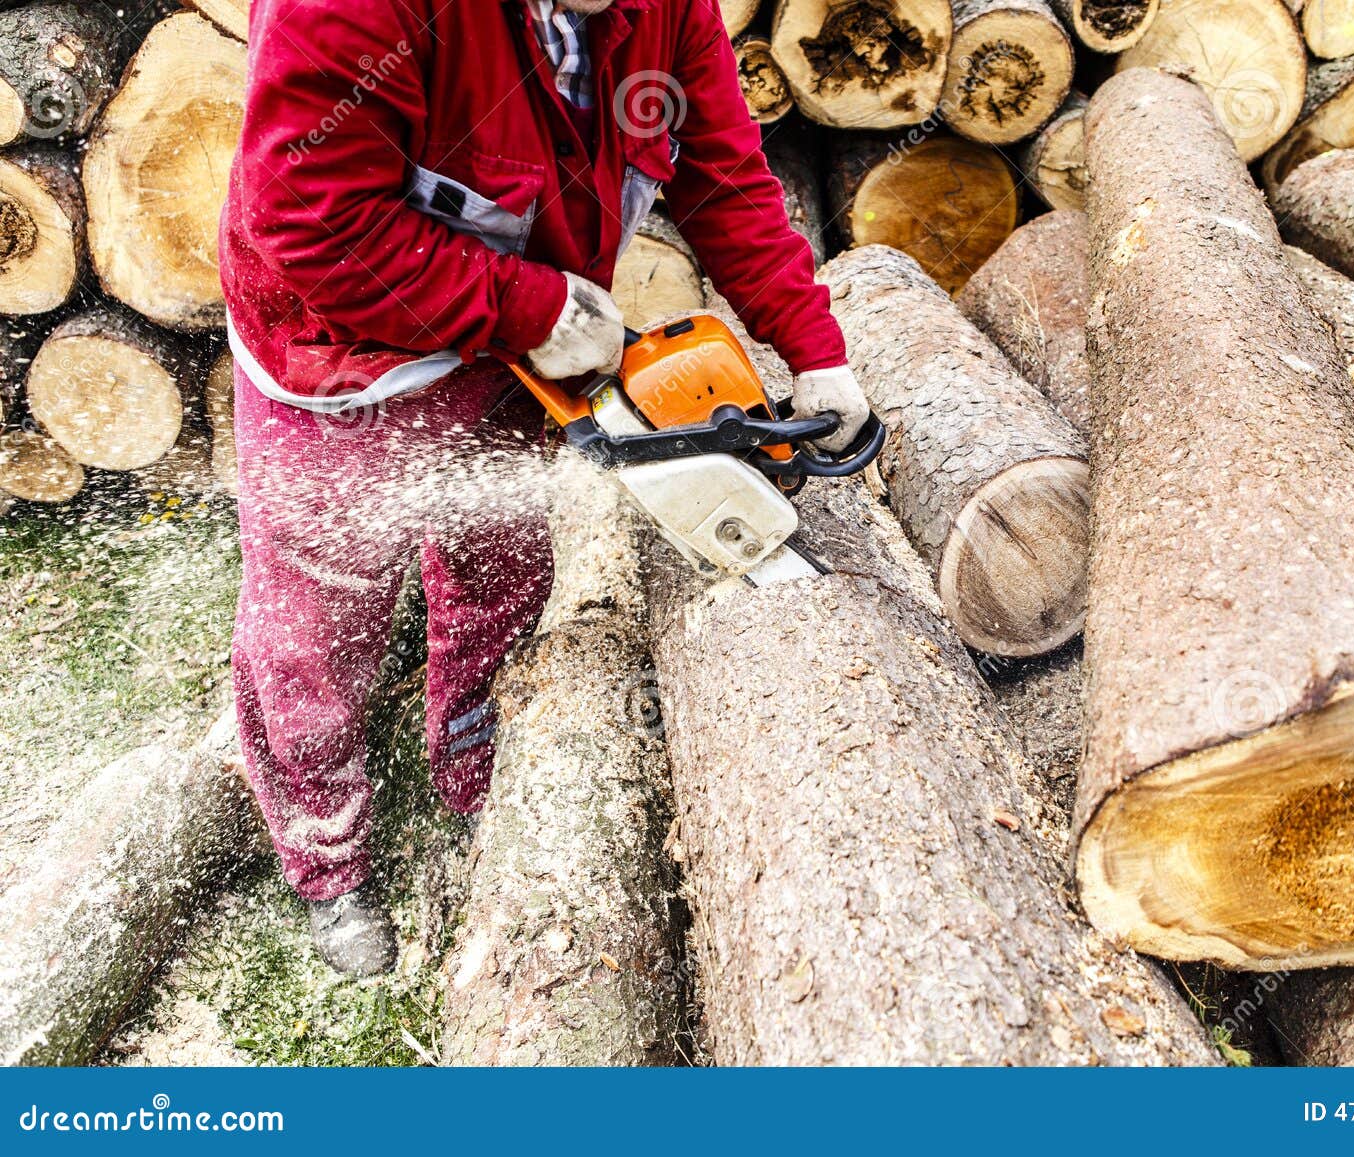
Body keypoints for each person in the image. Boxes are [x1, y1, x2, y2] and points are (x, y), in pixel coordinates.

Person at [220, 0, 869, 975]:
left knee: (503, 563)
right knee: (319, 624)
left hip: (522, 340)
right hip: (341, 352)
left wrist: (812, 346)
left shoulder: (665, 14)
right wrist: (523, 302)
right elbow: (307, 214)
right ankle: (327, 854)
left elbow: (723, 179)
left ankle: (477, 761)